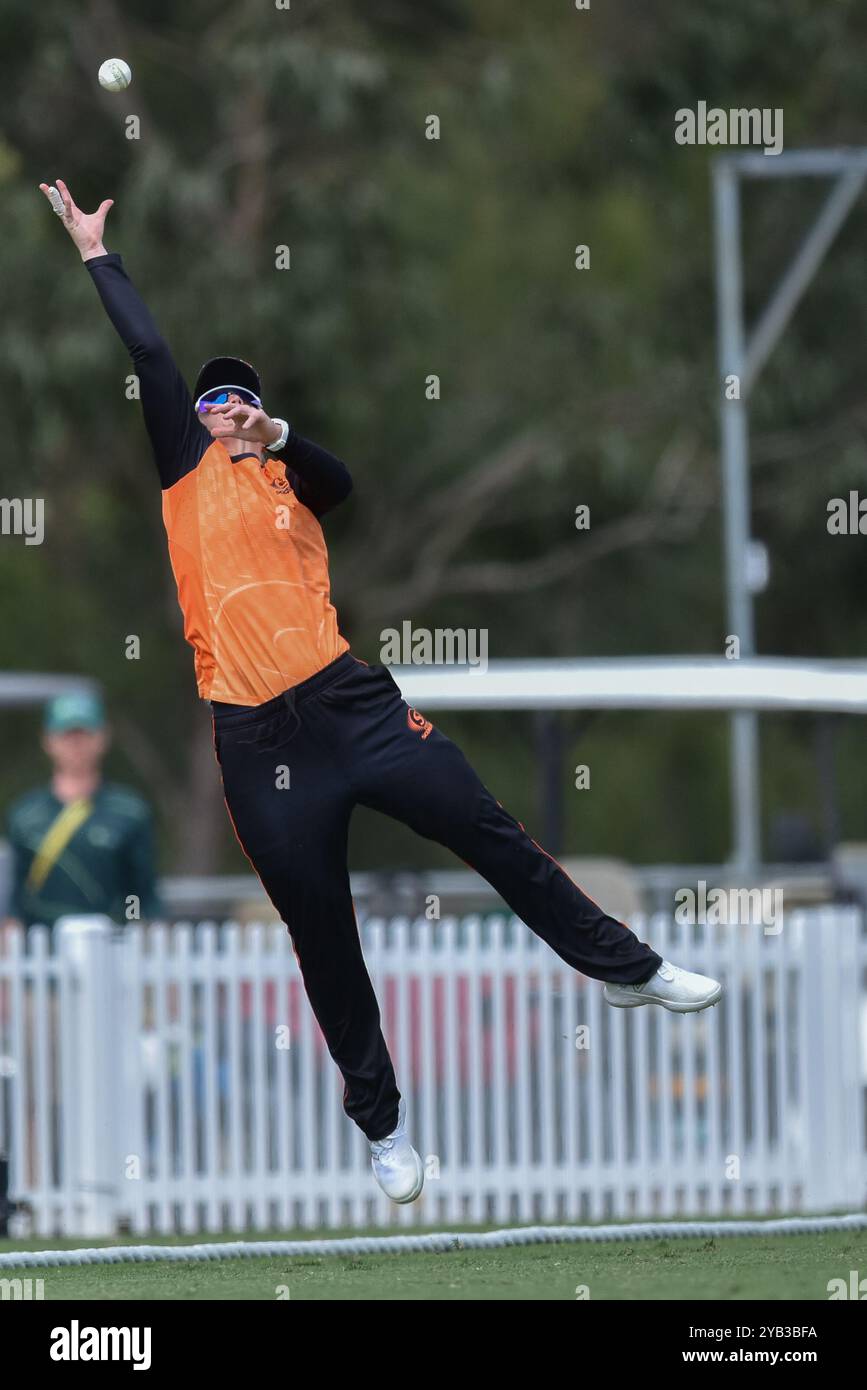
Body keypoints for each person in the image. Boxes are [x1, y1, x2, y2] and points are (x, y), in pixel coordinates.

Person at [40, 178, 722, 1205]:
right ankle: (385, 1126)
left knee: (485, 825)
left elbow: (343, 483)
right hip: (256, 737)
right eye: (209, 398)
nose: (218, 405)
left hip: (349, 703)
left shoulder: (286, 478)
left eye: (236, 396)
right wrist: (98, 255)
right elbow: (149, 357)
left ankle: (626, 970)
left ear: (259, 413)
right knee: (323, 930)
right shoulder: (185, 470)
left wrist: (276, 438)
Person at [5, 689, 159, 929]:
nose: (76, 745)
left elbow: (144, 894)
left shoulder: (130, 812)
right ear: (48, 740)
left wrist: (143, 936)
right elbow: (15, 896)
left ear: (103, 738)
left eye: (84, 734)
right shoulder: (24, 814)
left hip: (112, 947)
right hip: (43, 950)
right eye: (67, 735)